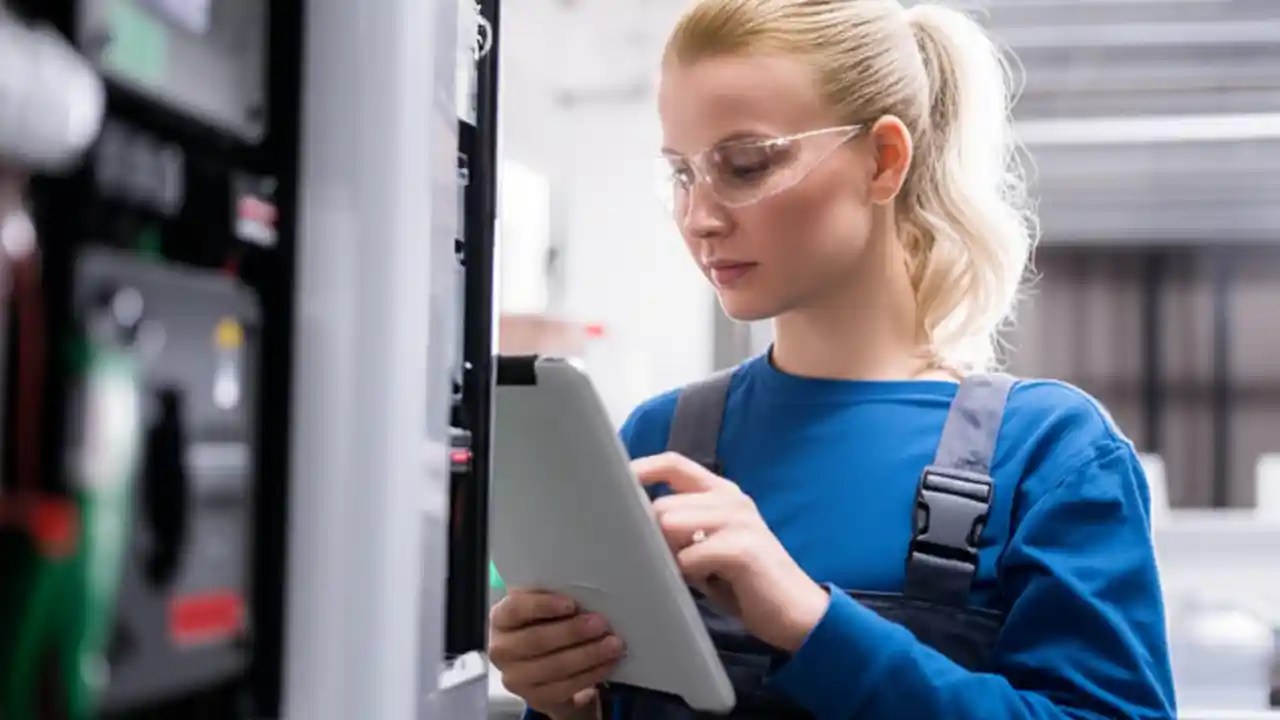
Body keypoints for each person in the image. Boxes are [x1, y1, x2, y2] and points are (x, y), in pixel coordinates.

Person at [487, 0, 1177, 718]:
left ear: (883, 161)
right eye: (682, 174)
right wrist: (568, 701)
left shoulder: (1048, 453)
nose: (700, 218)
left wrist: (812, 625)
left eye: (745, 165)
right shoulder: (656, 443)